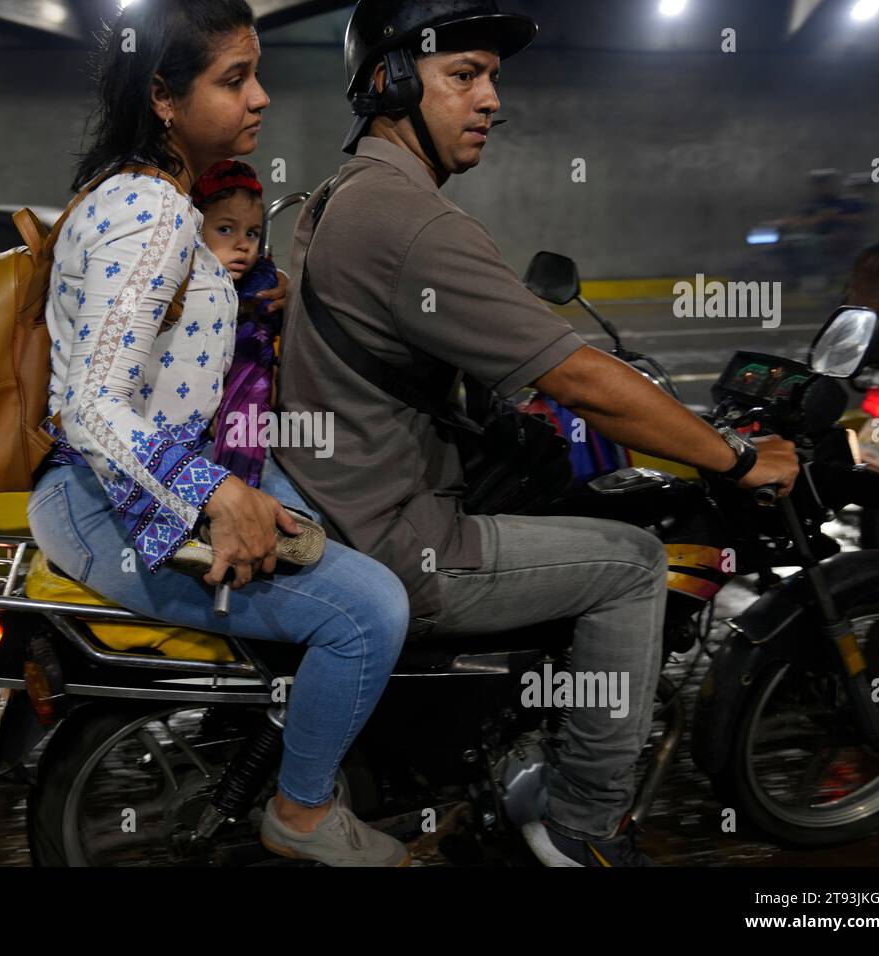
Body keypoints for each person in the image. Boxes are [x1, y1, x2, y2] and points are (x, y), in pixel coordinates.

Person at [274, 0, 801, 866]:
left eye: (493, 79)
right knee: (633, 565)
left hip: (336, 493)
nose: (490, 101)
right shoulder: (415, 222)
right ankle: (582, 827)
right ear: (391, 81)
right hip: (395, 533)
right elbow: (582, 377)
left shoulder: (339, 196)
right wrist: (736, 456)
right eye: (464, 76)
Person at [26, 0, 412, 867]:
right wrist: (217, 490)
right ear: (164, 97)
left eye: (256, 74)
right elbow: (92, 404)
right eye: (234, 79)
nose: (262, 98)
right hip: (109, 501)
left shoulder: (146, 193)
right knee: (372, 612)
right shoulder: (152, 213)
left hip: (127, 485)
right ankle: (301, 814)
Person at [191, 159, 287, 488]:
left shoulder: (264, 295)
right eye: (226, 229)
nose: (243, 244)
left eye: (252, 233)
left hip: (250, 439)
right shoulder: (181, 291)